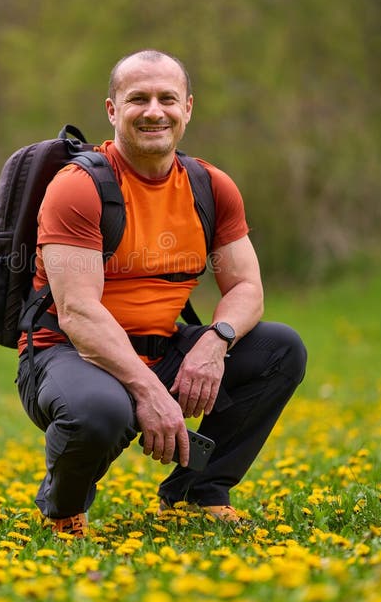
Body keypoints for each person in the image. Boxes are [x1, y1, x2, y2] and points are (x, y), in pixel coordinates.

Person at [16, 49, 307, 537]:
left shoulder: (210, 187)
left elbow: (248, 288)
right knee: (101, 410)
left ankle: (197, 493)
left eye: (167, 98)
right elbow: (79, 314)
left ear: (187, 107)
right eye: (138, 99)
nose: (154, 110)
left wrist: (216, 341)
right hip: (66, 355)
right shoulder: (78, 188)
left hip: (163, 348)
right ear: (112, 111)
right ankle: (63, 507)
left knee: (280, 348)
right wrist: (150, 393)